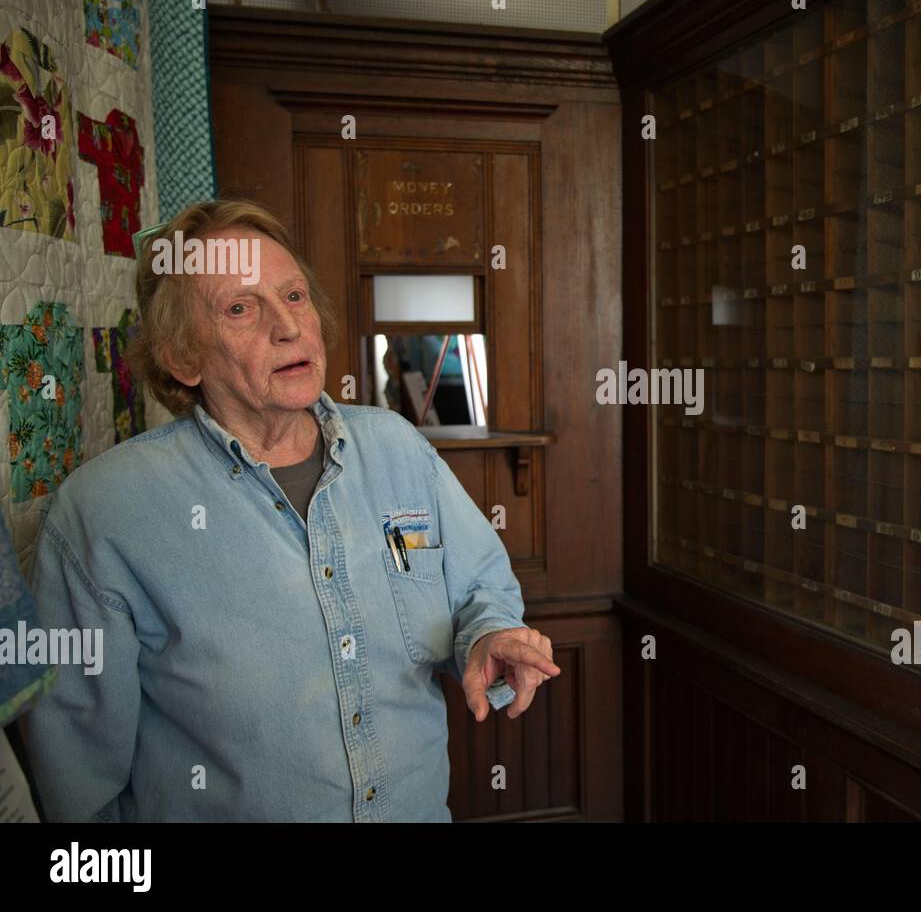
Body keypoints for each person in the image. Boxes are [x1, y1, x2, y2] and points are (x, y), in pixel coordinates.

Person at [19, 199, 559, 821]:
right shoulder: (103, 514)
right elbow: (78, 785)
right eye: (241, 308)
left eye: (294, 296)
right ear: (181, 356)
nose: (287, 327)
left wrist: (487, 635)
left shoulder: (398, 448)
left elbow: (478, 589)